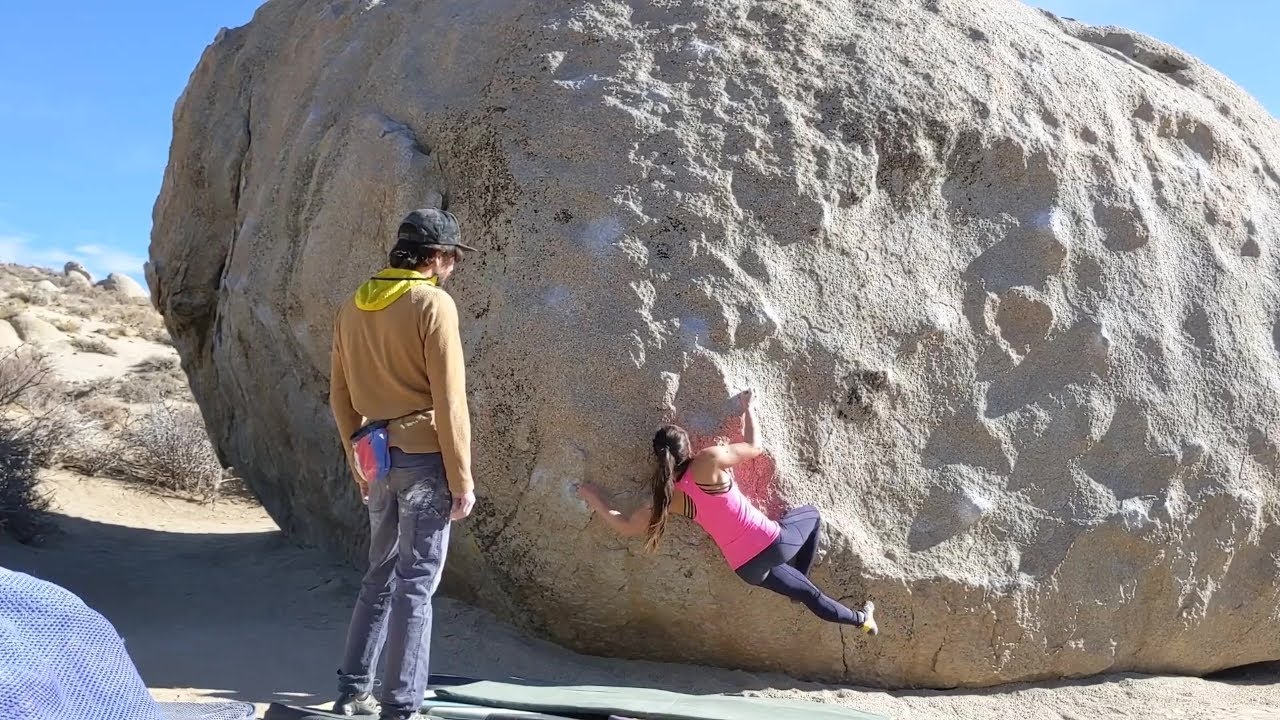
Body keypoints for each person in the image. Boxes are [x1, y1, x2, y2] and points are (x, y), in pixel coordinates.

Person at [327, 208, 479, 718]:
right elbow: (450, 399)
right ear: (434, 258)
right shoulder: (431, 304)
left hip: (376, 455)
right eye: (452, 257)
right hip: (424, 456)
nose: (453, 267)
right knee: (416, 583)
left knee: (380, 575)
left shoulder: (353, 306)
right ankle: (401, 705)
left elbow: (340, 395)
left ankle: (352, 692)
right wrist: (462, 479)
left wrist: (358, 461)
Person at [577, 389, 878, 634]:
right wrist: (749, 408)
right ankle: (807, 582)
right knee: (812, 515)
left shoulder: (664, 498)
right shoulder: (706, 461)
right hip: (774, 542)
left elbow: (627, 527)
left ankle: (862, 620)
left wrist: (594, 499)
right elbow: (753, 446)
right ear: (688, 446)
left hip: (746, 568)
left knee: (808, 594)